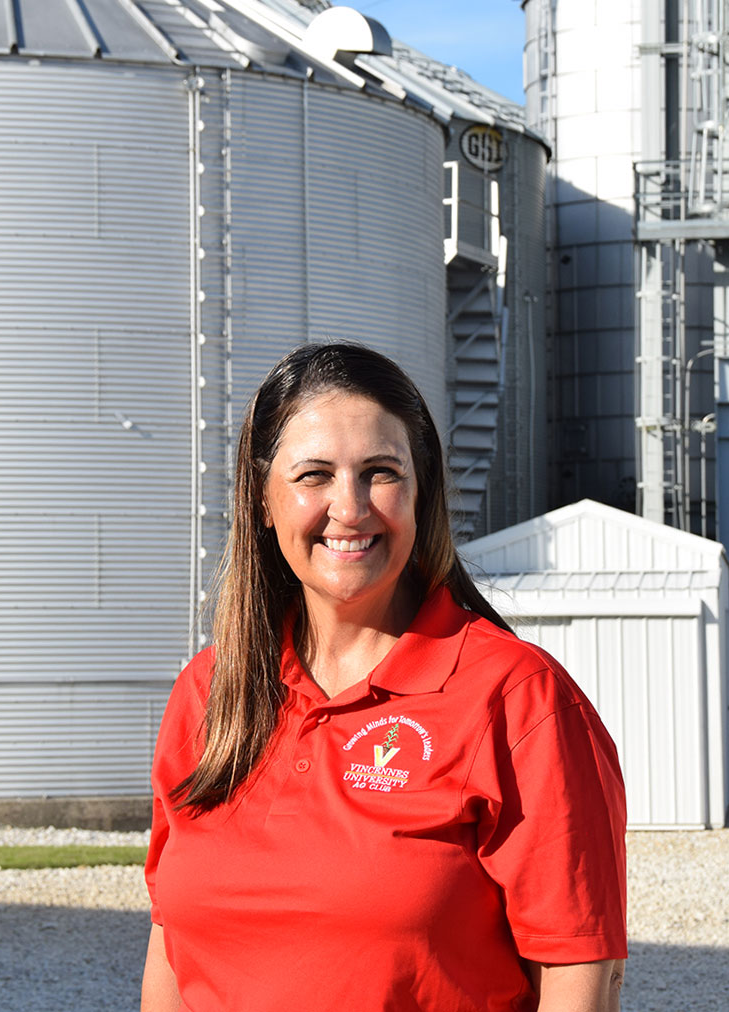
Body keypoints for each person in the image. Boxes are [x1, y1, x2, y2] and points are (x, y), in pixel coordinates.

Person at [141, 343, 627, 1012]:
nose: (350, 507)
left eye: (380, 472)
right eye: (313, 474)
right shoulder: (209, 693)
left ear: (422, 492)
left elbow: (578, 976)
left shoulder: (516, 699)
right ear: (262, 499)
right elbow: (171, 947)